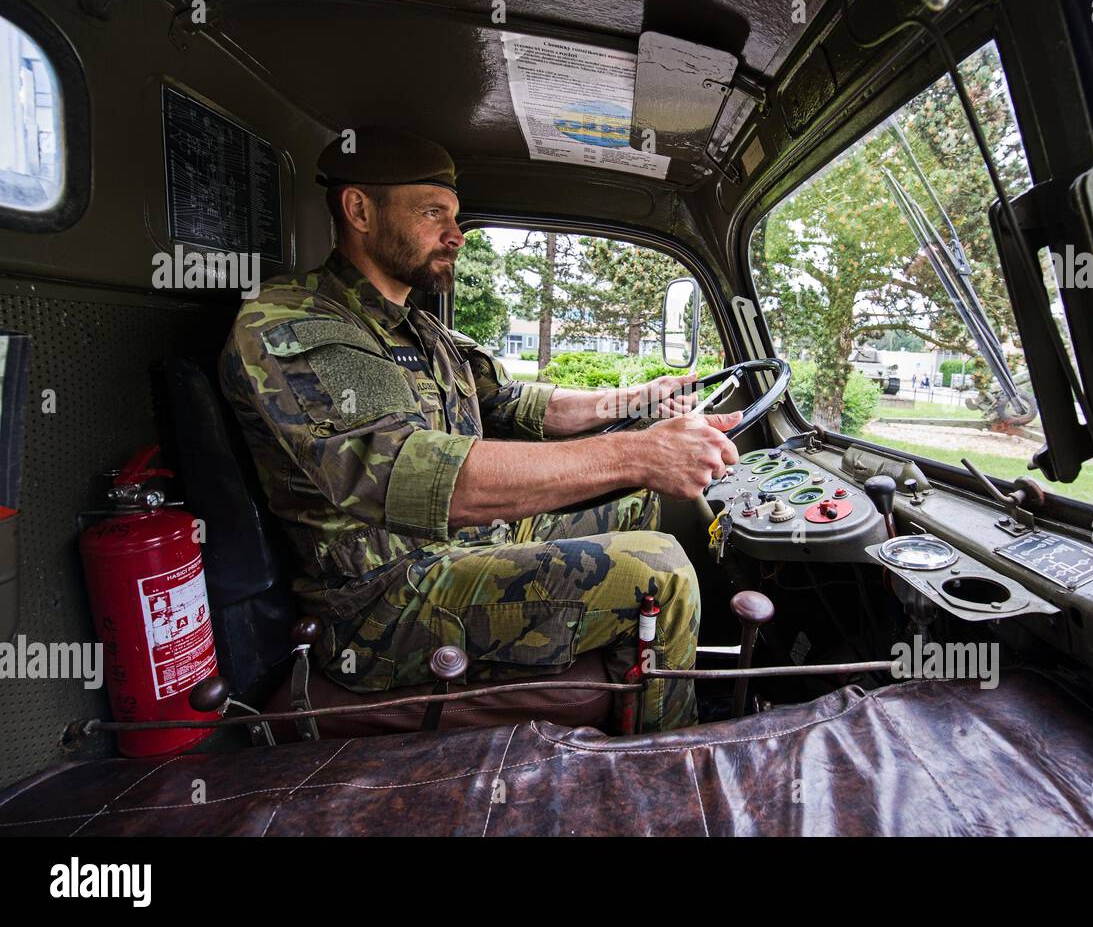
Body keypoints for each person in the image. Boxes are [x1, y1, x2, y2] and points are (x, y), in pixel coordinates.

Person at [220, 127, 739, 732]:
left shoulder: (418, 329)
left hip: (460, 546)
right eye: (433, 213)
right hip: (381, 600)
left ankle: (637, 693)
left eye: (456, 216)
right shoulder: (295, 320)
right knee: (660, 569)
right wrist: (636, 453)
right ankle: (666, 769)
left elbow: (520, 403)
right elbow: (414, 474)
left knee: (638, 502)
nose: (455, 235)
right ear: (359, 209)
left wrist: (641, 402)